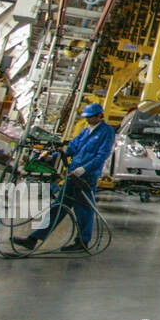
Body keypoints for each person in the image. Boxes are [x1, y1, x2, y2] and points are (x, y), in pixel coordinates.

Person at [16, 104, 115, 253]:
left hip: (86, 177)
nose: (88, 119)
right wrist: (51, 156)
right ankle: (33, 239)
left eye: (90, 117)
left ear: (99, 116)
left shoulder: (106, 132)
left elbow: (102, 155)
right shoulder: (86, 131)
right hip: (72, 173)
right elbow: (72, 148)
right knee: (59, 206)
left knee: (84, 210)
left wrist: (84, 169)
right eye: (86, 117)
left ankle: (82, 242)